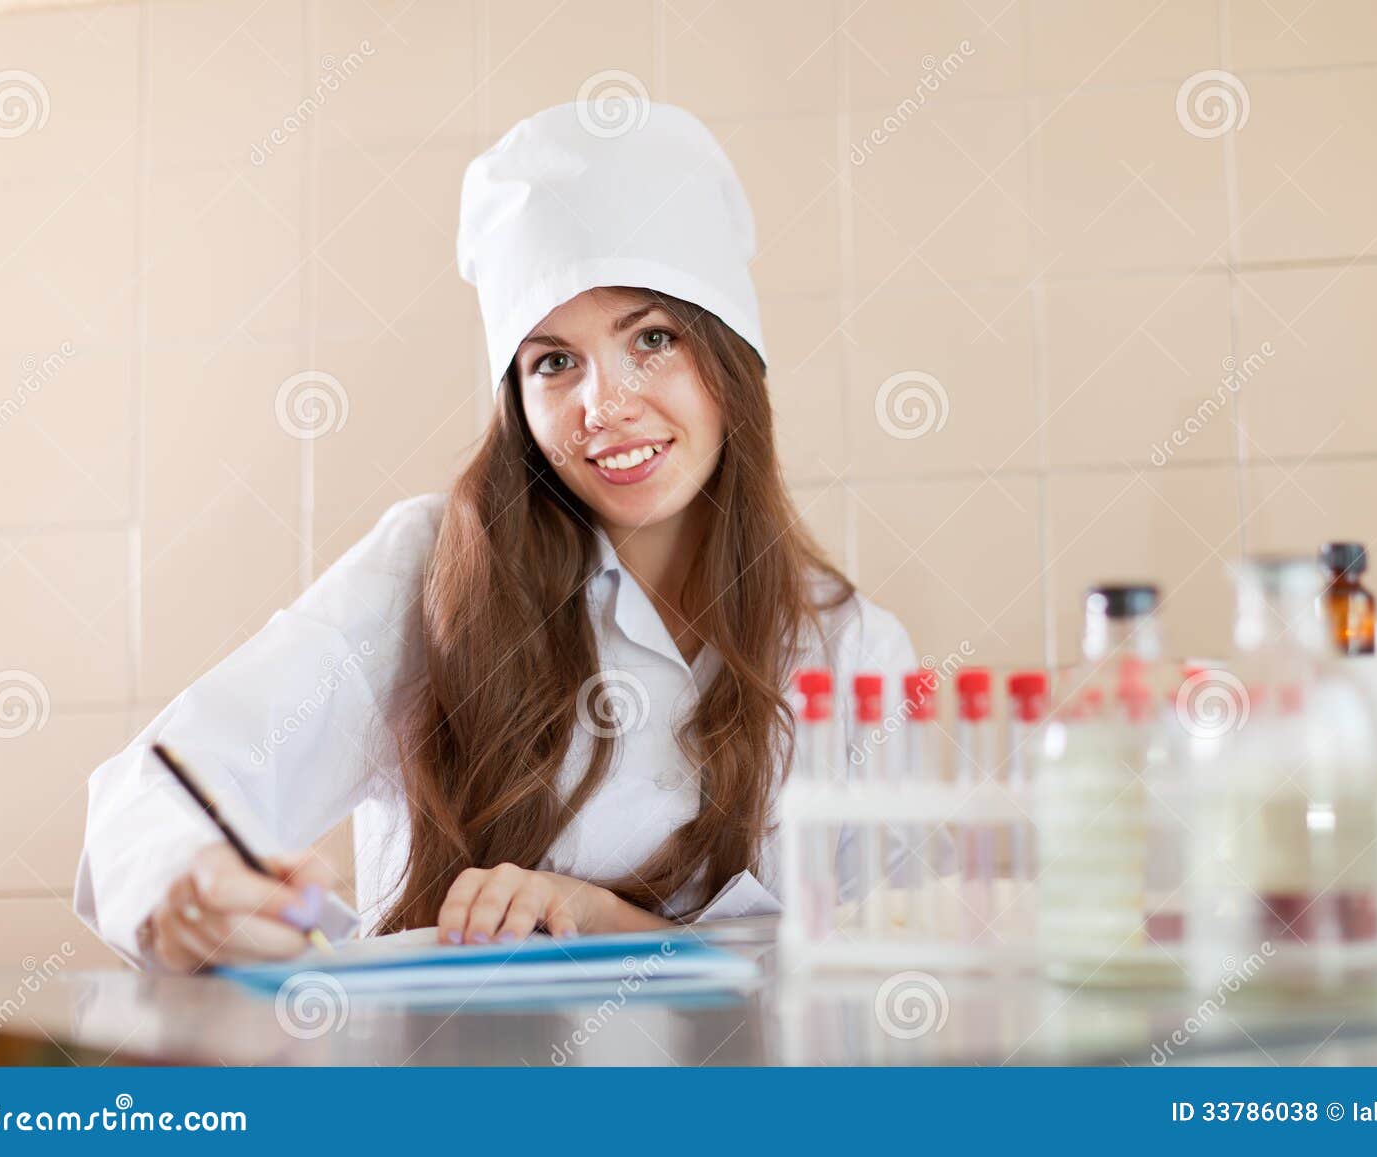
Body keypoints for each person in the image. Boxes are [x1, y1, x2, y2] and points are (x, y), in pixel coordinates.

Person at [75, 101, 915, 971]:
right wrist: (191, 884)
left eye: (653, 339)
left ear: (733, 360)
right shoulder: (433, 570)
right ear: (517, 397)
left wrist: (605, 921)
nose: (604, 405)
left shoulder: (850, 647)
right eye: (554, 361)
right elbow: (158, 785)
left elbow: (893, 956)